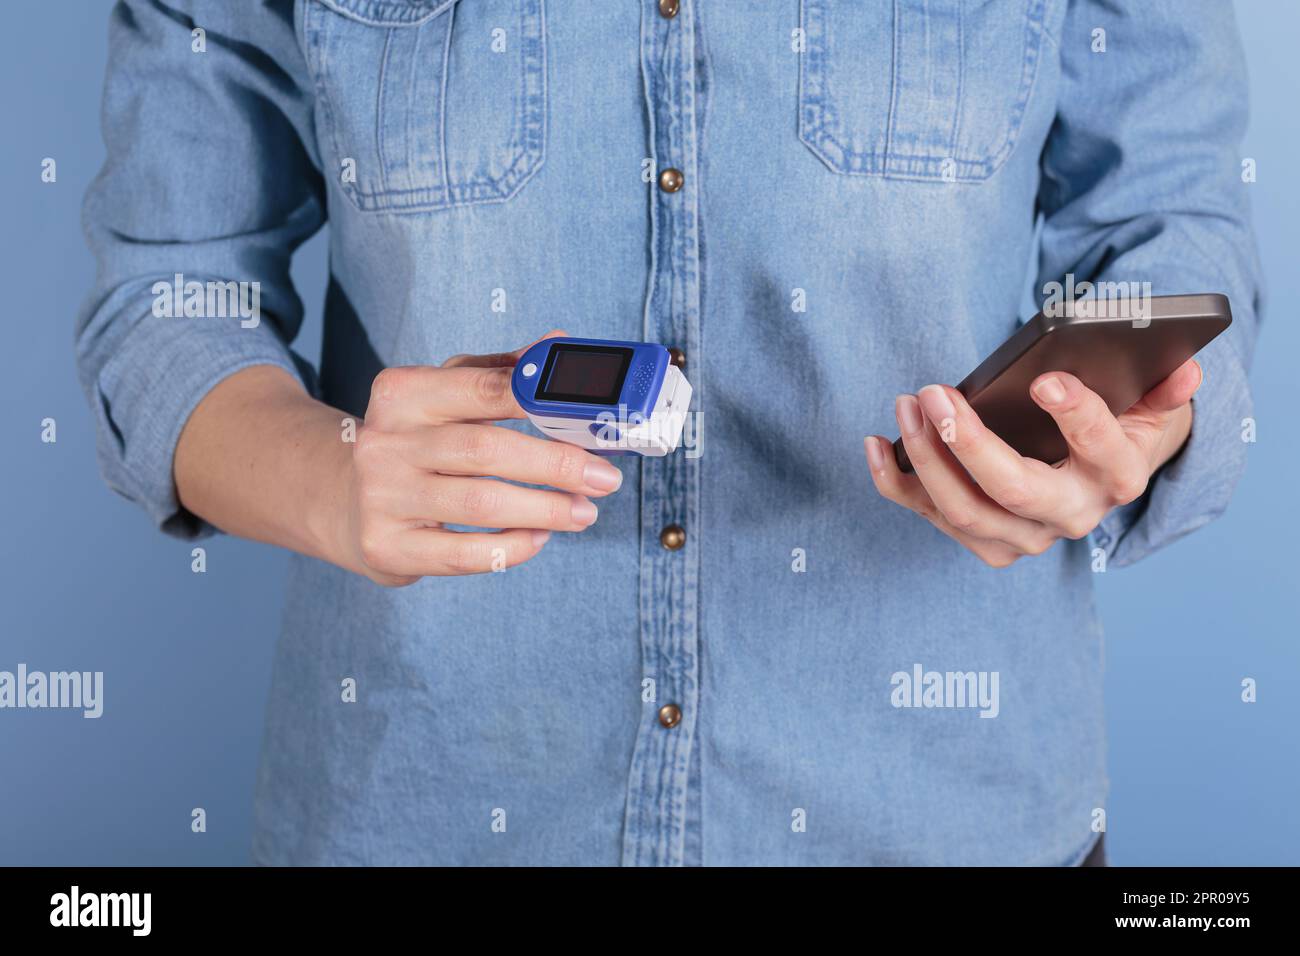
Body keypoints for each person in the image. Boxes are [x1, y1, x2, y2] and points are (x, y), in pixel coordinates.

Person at [76, 0, 1260, 865]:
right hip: (427, 803)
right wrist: (327, 478)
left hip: (947, 814)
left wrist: (1131, 427)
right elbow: (167, 297)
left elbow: (1167, 224)